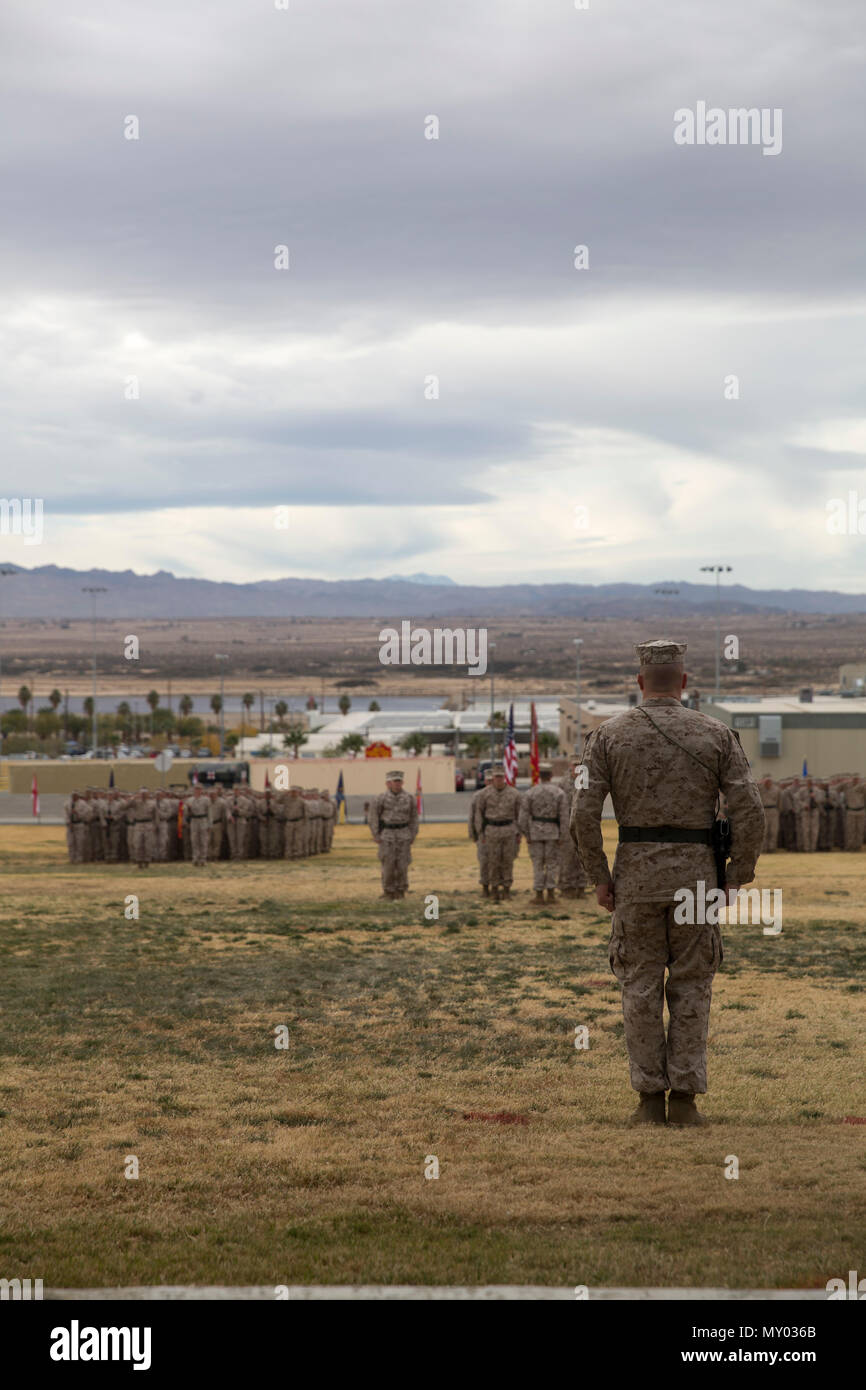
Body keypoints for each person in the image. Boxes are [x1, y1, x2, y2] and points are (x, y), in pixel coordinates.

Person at [573, 639, 764, 1128]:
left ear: (639, 682)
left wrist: (600, 877)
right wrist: (737, 875)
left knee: (639, 985)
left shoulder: (608, 737)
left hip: (634, 880)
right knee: (692, 985)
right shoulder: (716, 734)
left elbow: (583, 813)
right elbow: (749, 808)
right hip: (697, 880)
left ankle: (648, 1102)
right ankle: (684, 1100)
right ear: (684, 682)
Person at [519, 761, 569, 904]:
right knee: (552, 863)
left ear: (539, 776)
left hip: (535, 833)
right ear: (551, 776)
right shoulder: (559, 793)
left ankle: (539, 894)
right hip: (553, 833)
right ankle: (551, 894)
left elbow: (522, 818)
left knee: (538, 864)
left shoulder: (530, 793)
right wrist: (562, 835)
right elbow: (564, 817)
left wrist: (527, 834)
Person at [473, 762, 521, 902]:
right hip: (491, 831)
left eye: (501, 777)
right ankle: (494, 890)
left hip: (508, 831)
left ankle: (506, 889)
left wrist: (518, 833)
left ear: (504, 777)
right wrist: (480, 833)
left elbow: (520, 815)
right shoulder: (484, 794)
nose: (498, 780)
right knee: (493, 861)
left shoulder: (514, 794)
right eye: (496, 777)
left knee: (507, 861)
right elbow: (478, 815)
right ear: (492, 778)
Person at [368, 770, 418, 899]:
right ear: (388, 783)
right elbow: (373, 817)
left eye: (399, 781)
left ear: (403, 782)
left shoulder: (409, 798)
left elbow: (414, 817)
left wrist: (413, 834)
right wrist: (376, 834)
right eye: (394, 781)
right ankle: (388, 891)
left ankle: (400, 891)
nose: (397, 784)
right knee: (388, 865)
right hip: (387, 834)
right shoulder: (380, 798)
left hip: (404, 834)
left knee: (403, 865)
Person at [557, 756, 588, 898]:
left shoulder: (585, 782)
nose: (576, 767)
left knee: (582, 857)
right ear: (569, 766)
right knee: (567, 857)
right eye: (574, 764)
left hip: (582, 825)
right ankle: (566, 887)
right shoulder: (562, 783)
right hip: (567, 824)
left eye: (578, 764)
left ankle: (581, 887)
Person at [468, 769, 494, 897]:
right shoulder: (477, 796)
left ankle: (496, 886)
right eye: (488, 780)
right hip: (482, 835)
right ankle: (485, 887)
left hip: (496, 834)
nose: (490, 783)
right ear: (485, 781)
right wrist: (473, 834)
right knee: (484, 862)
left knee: (497, 862)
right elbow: (472, 816)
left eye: (492, 780)